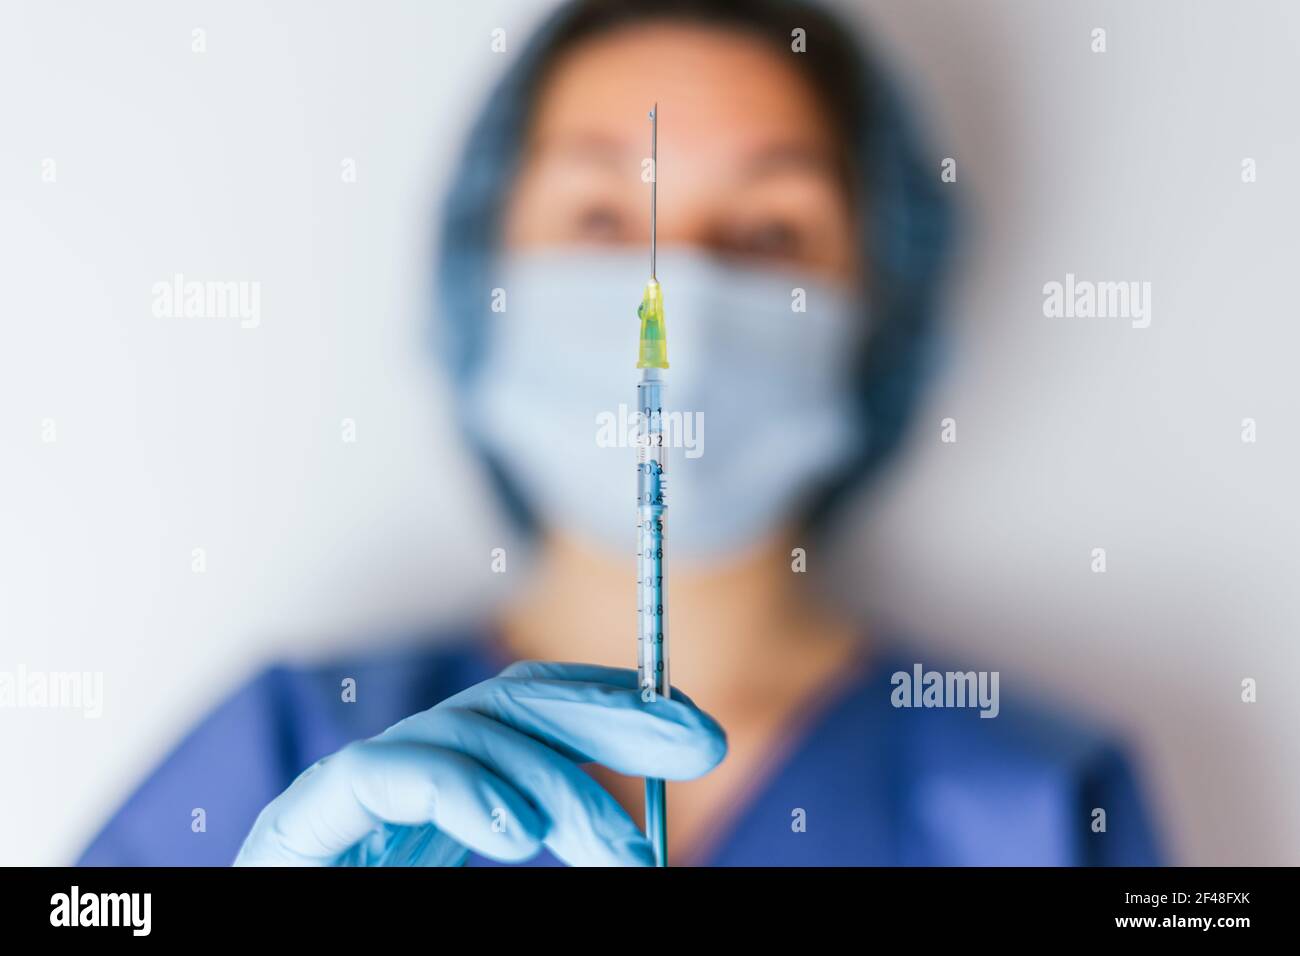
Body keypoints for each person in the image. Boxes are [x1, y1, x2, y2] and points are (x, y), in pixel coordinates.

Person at [78, 0, 1163, 867]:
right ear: (481, 282)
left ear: (880, 317)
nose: (674, 290)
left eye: (770, 230)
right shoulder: (300, 744)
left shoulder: (1038, 807)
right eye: (601, 217)